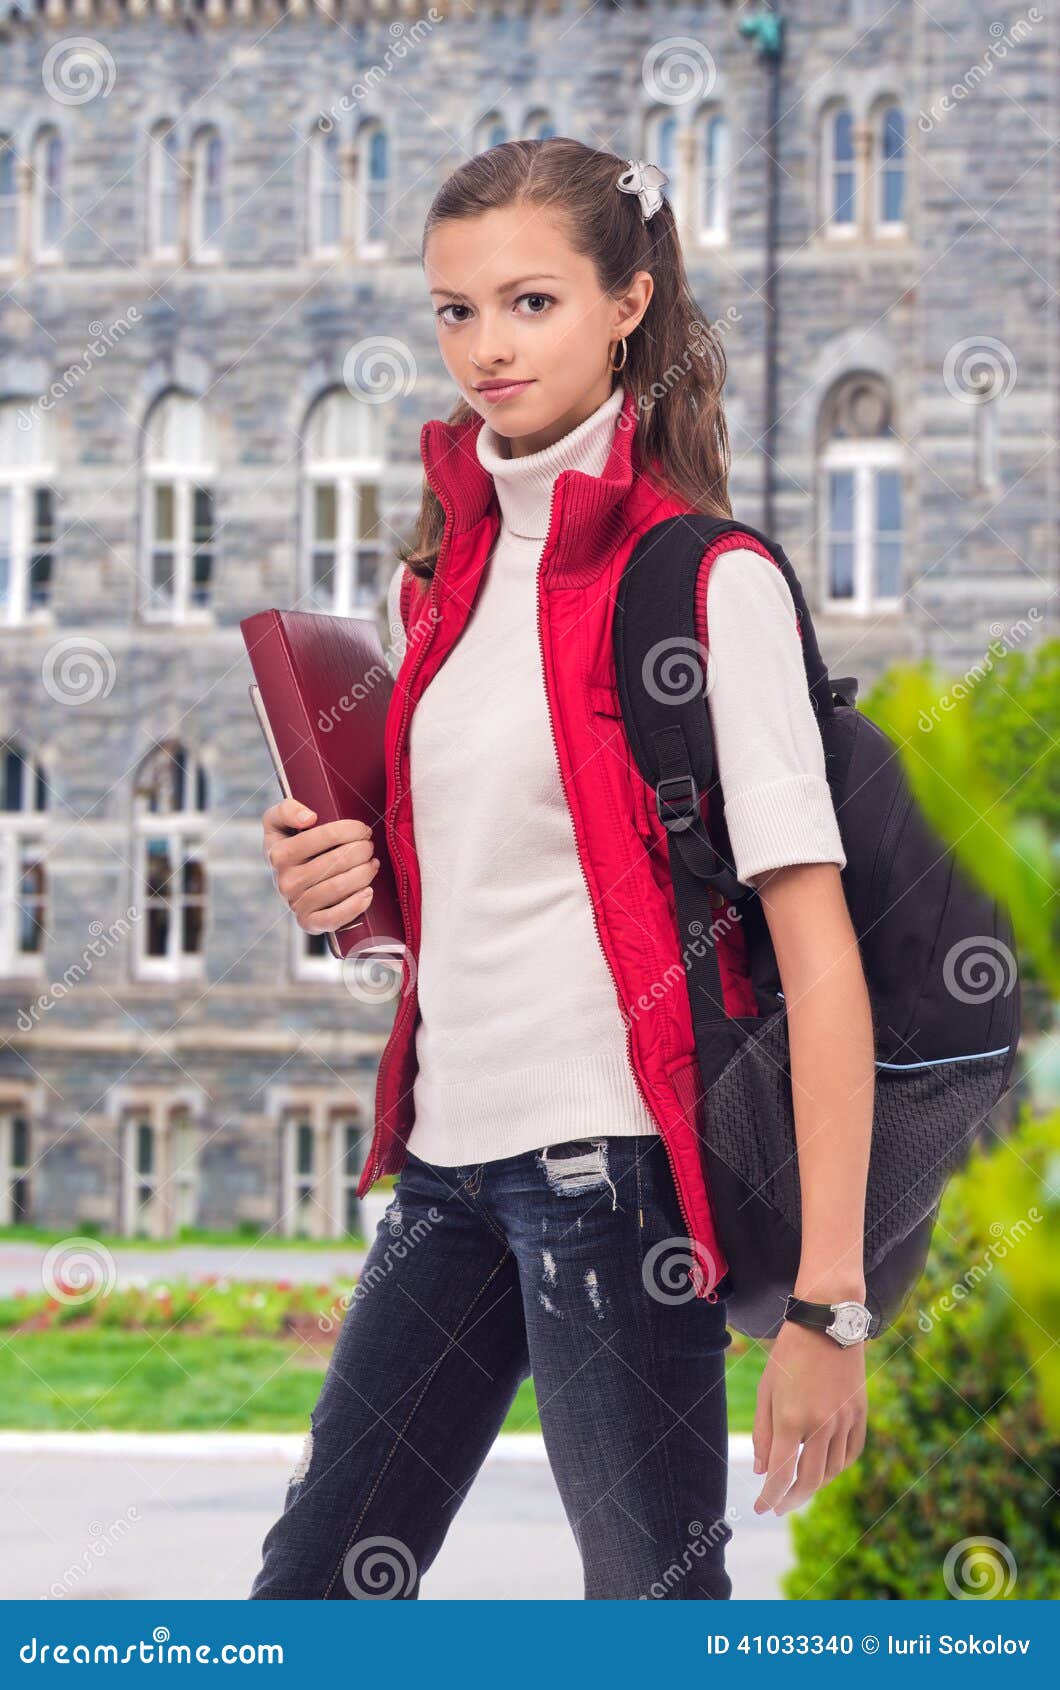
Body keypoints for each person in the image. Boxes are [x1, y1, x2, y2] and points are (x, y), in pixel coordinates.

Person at [249, 137, 873, 1601]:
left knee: (648, 1623)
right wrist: (340, 879)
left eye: (531, 302)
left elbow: (819, 950)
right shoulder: (437, 587)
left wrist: (829, 1309)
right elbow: (481, 894)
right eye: (456, 310)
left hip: (615, 1178)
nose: (488, 347)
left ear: (626, 304)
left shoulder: (707, 583)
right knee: (311, 1603)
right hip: (444, 1172)